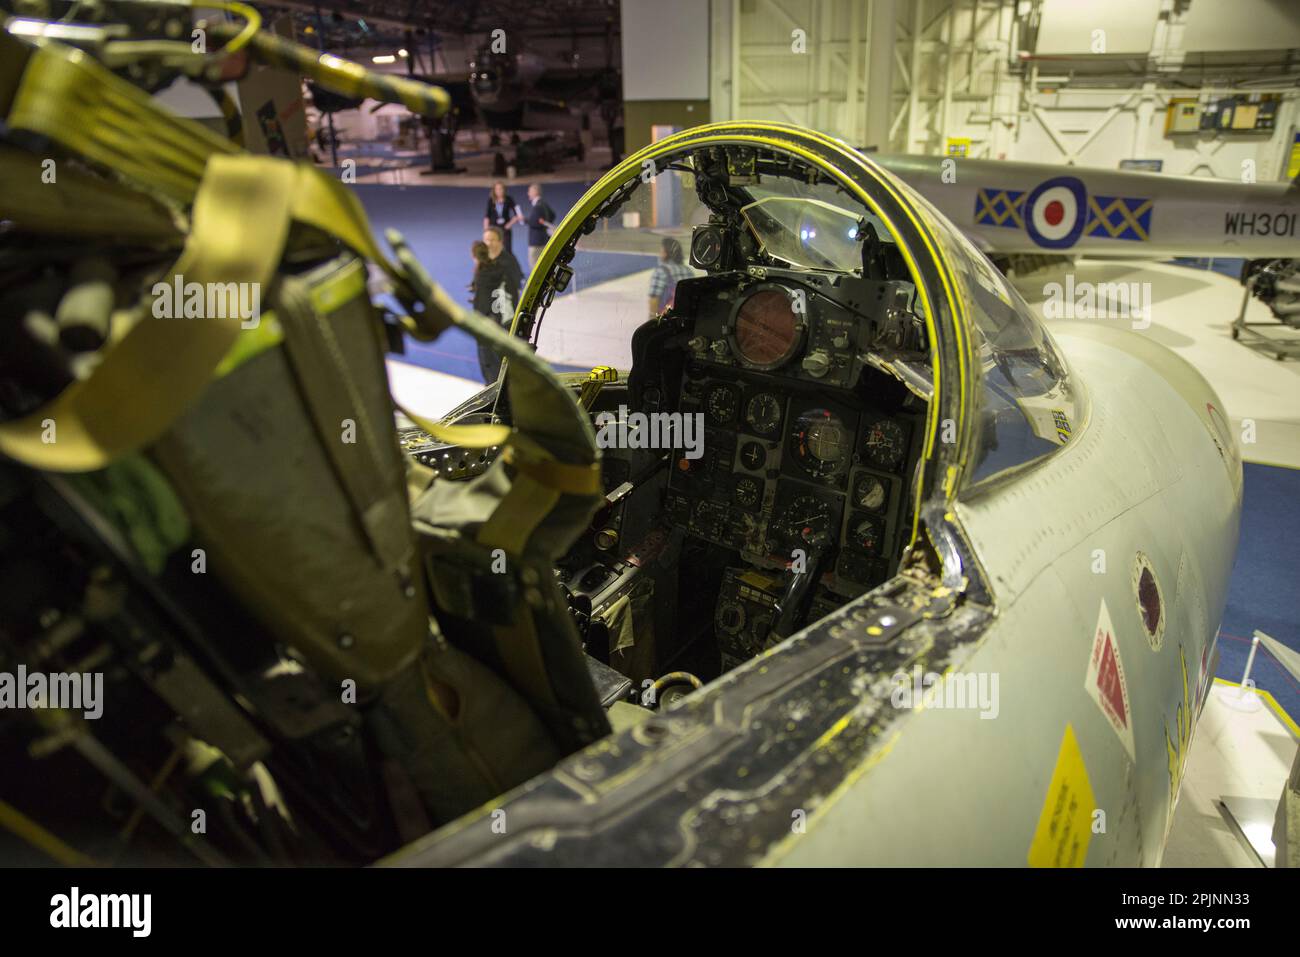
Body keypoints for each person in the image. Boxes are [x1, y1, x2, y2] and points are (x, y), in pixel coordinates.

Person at [474, 226, 524, 383]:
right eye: (486, 240)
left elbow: (515, 287)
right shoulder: (482, 262)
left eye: (492, 239)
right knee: (486, 360)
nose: (488, 243)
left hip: (501, 321)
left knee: (500, 361)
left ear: (500, 242)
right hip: (482, 318)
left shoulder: (508, 262)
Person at [647, 237, 694, 318]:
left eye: (661, 251)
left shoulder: (661, 271)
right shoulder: (688, 271)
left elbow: (654, 298)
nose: (659, 254)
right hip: (684, 315)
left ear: (665, 253)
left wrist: (652, 318)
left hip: (666, 317)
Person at [522, 183, 556, 271]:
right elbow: (552, 215)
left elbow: (534, 222)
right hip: (543, 239)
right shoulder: (543, 203)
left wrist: (525, 220)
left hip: (536, 242)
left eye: (529, 191)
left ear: (535, 192)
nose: (528, 193)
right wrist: (544, 222)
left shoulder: (537, 206)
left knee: (534, 265)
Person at [483, 181, 521, 255]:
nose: (499, 191)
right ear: (494, 190)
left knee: (507, 250)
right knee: (493, 250)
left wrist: (509, 224)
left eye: (501, 189)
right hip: (494, 229)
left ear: (504, 189)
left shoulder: (509, 199)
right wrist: (486, 231)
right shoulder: (491, 201)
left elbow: (517, 214)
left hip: (505, 229)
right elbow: (487, 216)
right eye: (497, 189)